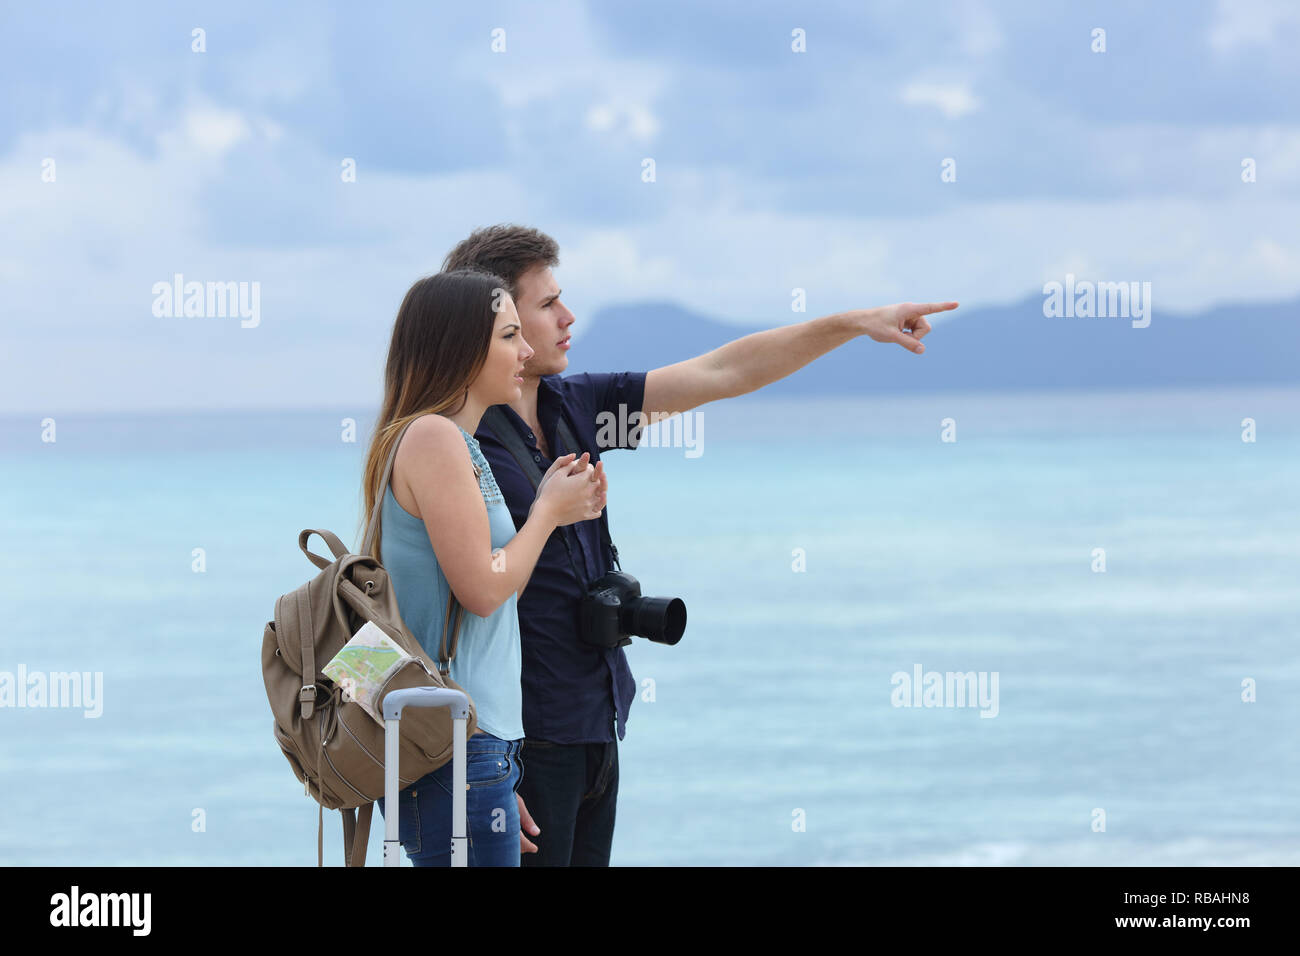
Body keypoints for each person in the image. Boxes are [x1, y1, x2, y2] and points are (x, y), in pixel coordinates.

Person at [443, 224, 958, 866]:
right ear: (495, 315)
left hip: (596, 723)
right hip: (521, 743)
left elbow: (724, 371)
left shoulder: (579, 406)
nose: (568, 317)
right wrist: (478, 766)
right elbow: (433, 600)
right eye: (547, 305)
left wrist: (853, 324)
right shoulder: (455, 438)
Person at [359, 268, 608, 866]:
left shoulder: (456, 443)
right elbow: (483, 589)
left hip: (469, 744)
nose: (526, 351)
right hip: (452, 742)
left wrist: (498, 767)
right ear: (462, 349)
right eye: (508, 336)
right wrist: (547, 514)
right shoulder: (434, 439)